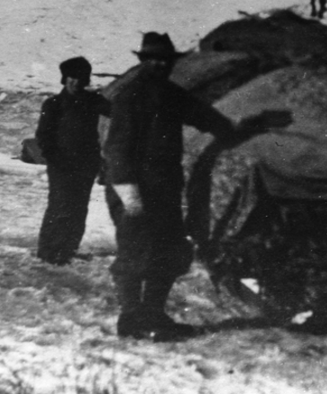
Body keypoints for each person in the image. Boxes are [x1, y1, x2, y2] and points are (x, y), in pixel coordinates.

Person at [103, 32, 290, 340]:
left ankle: (153, 315)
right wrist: (130, 197)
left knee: (171, 251)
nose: (158, 65)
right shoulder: (129, 97)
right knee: (135, 254)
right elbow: (117, 150)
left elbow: (210, 120)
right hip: (133, 190)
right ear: (142, 62)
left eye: (164, 61)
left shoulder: (171, 94)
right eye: (152, 60)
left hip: (163, 189)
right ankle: (131, 318)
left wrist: (253, 125)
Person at [33, 56, 110, 266]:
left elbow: (115, 110)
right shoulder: (54, 104)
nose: (76, 82)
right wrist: (57, 161)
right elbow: (44, 137)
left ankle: (67, 250)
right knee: (59, 207)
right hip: (61, 166)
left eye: (81, 78)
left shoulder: (93, 101)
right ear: (65, 79)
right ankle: (48, 252)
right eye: (72, 77)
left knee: (78, 209)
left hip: (86, 165)